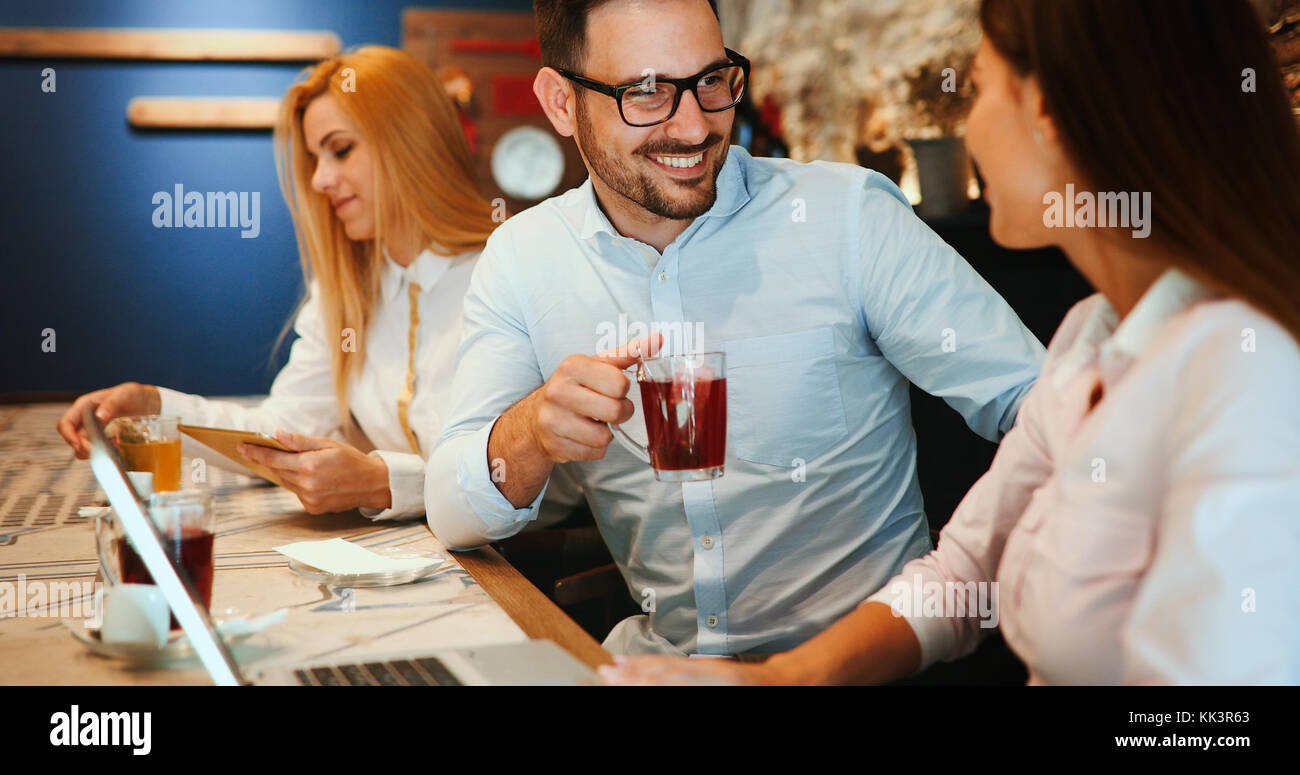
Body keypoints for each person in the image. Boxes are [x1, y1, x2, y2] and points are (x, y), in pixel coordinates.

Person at [602, 0, 1300, 684]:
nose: (965, 125)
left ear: (1052, 116)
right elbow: (962, 573)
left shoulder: (1244, 371)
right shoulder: (1093, 337)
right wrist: (778, 679)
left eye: (979, 89)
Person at [424, 0, 1046, 656]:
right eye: (646, 92)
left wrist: (947, 589)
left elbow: (1045, 410)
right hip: (661, 665)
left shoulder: (848, 219)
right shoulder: (525, 259)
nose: (693, 127)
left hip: (862, 672)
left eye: (712, 81)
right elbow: (450, 507)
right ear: (558, 102)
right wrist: (531, 431)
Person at [56, 47, 508, 521]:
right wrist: (154, 407)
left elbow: (520, 473)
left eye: (341, 149)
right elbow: (283, 432)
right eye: (315, 158)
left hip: (510, 570)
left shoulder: (504, 269)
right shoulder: (347, 290)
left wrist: (382, 483)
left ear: (412, 137)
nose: (319, 180)